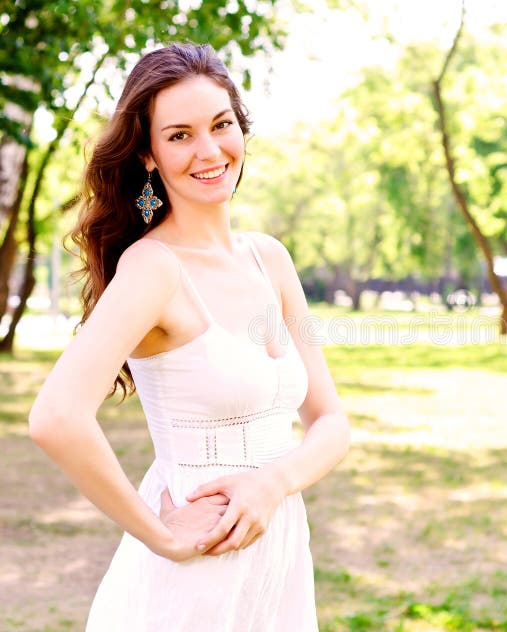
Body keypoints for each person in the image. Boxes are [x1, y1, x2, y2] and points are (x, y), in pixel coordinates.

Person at [28, 43, 349, 631]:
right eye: (179, 135)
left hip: (277, 551)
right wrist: (160, 537)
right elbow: (55, 417)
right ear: (148, 156)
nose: (209, 150)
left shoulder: (271, 260)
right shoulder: (153, 269)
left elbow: (331, 422)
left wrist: (272, 484)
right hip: (197, 564)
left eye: (221, 125)